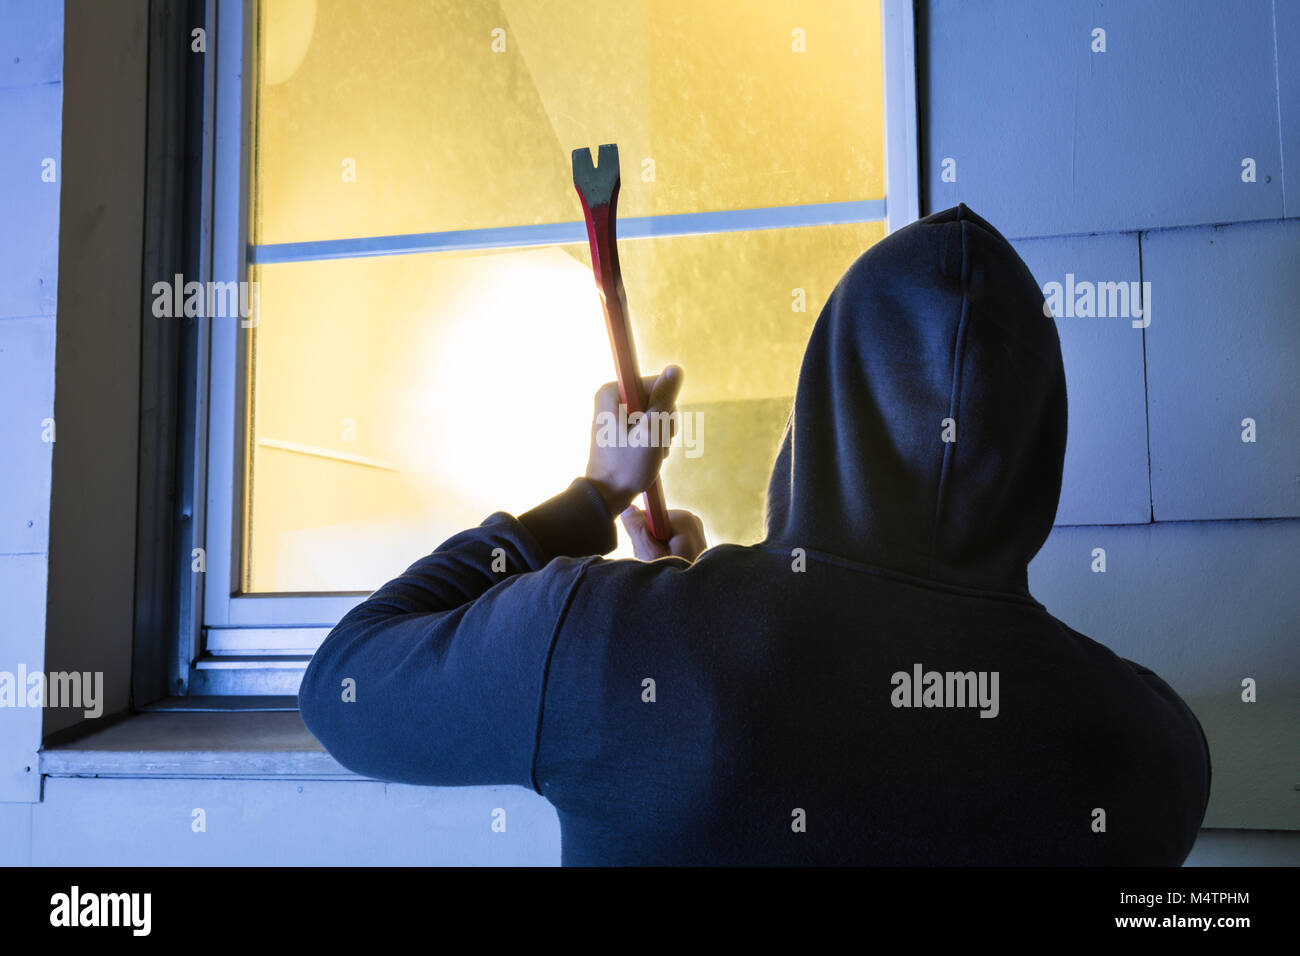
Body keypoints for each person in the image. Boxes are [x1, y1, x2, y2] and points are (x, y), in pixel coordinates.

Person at [298, 203, 1211, 865]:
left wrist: (591, 502)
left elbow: (347, 686)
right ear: (1040, 442)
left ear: (820, 410)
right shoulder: (1154, 750)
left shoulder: (617, 649)